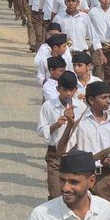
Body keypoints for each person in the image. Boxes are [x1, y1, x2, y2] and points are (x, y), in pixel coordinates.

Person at [58, 81, 110, 206]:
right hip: (83, 175)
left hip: (106, 177)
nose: (108, 101)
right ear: (92, 100)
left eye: (109, 97)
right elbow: (63, 150)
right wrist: (69, 126)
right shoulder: (80, 122)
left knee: (104, 213)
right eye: (104, 97)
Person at [38, 71, 79, 200]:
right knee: (56, 194)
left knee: (74, 195)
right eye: (64, 90)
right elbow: (40, 130)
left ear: (76, 90)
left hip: (74, 154)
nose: (68, 94)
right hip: (55, 155)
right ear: (58, 89)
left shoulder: (81, 107)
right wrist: (56, 124)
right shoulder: (48, 106)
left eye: (71, 90)